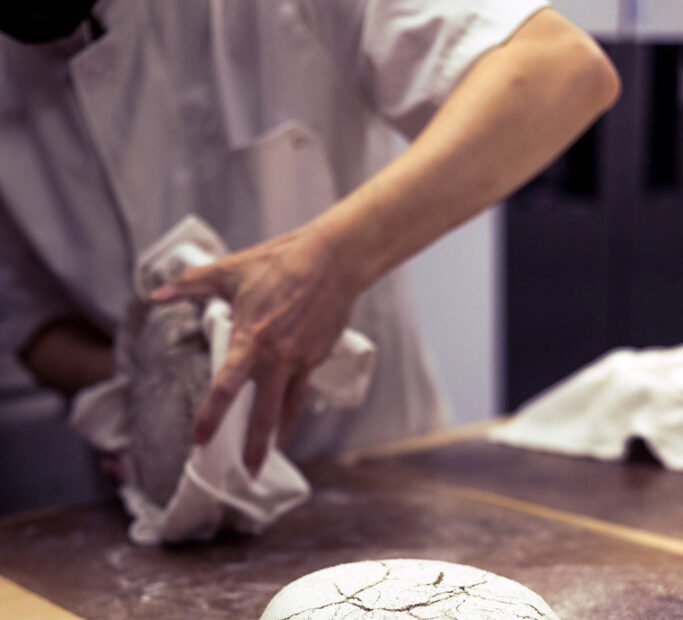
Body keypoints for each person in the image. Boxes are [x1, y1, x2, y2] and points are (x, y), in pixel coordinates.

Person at [0, 1, 620, 475]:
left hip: (372, 466)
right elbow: (25, 319)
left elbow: (559, 69)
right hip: (149, 506)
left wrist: (335, 257)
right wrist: (151, 395)